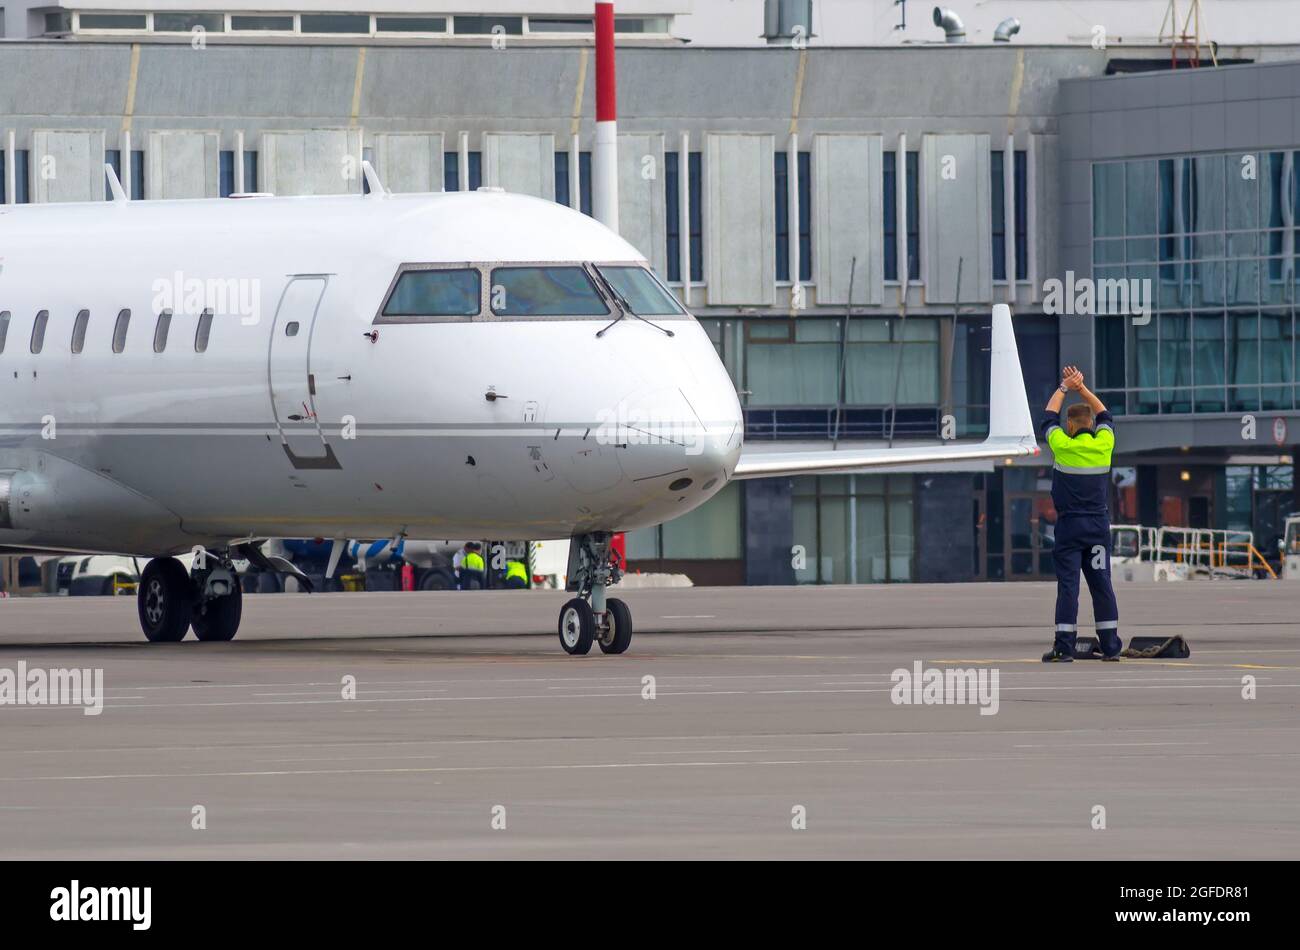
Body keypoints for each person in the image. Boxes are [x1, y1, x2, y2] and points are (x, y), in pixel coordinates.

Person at [1041, 365, 1122, 663]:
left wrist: (1065, 387)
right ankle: (1111, 646)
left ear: (1070, 426)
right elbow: (1106, 415)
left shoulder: (1063, 446)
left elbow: (1048, 418)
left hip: (1070, 528)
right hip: (1098, 526)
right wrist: (1082, 388)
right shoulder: (1105, 444)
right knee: (1102, 585)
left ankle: (1064, 648)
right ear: (1091, 424)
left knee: (1069, 587)